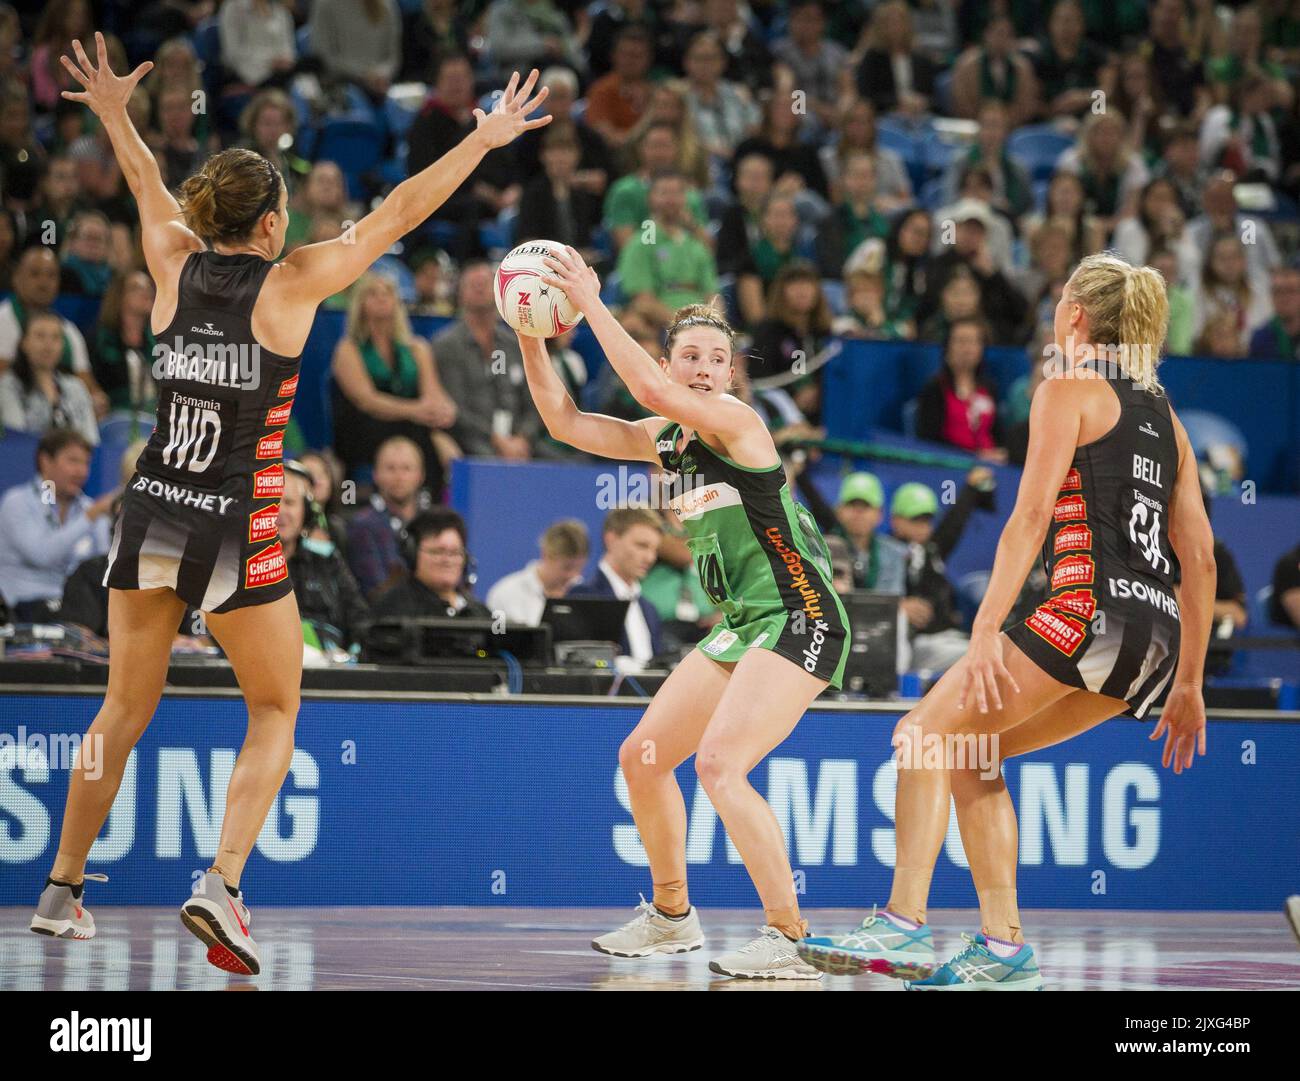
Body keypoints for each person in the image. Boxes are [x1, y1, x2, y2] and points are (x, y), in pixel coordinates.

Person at [28, 35, 549, 977]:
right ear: (270, 223)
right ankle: (222, 881)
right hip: (234, 522)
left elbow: (145, 180)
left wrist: (110, 111)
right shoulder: (292, 283)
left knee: (120, 708)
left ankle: (61, 890)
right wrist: (482, 141)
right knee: (273, 706)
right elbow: (398, 211)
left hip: (150, 509)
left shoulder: (168, 257)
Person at [801, 252, 1216, 989]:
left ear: (1077, 316)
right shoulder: (1170, 419)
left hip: (1086, 609)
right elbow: (1204, 559)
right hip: (1154, 641)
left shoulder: (1069, 386)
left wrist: (987, 627)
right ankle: (1003, 945)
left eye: (1060, 298)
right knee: (970, 749)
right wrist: (1190, 682)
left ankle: (900, 923)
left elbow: (1027, 518)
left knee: (923, 735)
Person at [521, 249, 852, 978]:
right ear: (673, 365)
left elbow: (639, 383)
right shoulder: (665, 440)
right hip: (742, 622)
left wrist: (588, 298)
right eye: (690, 357)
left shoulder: (735, 420)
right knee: (642, 758)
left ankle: (790, 935)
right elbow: (563, 419)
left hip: (800, 613)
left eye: (716, 358)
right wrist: (528, 328)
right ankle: (673, 916)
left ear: (731, 374)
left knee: (720, 765)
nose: (703, 367)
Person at [329, 272, 457, 490]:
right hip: (365, 428)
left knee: (443, 442)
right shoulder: (348, 349)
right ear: (360, 303)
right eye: (373, 293)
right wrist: (415, 410)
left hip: (413, 428)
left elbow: (432, 395)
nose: (381, 298)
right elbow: (367, 401)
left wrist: (444, 409)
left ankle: (434, 501)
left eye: (387, 292)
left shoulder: (417, 347)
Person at [0, 428, 114, 621]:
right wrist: (90, 517)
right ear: (45, 461)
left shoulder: (88, 508)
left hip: (77, 610)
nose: (82, 471)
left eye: (86, 463)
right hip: (24, 609)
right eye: (73, 461)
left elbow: (102, 566)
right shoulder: (17, 503)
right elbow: (43, 554)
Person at [279, 463, 369, 653]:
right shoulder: (238, 563)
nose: (280, 512)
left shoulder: (327, 560)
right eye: (272, 503)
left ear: (306, 511)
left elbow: (359, 620)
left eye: (289, 503)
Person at [567, 506, 665, 667]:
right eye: (642, 546)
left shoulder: (649, 609)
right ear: (611, 540)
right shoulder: (583, 597)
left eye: (655, 550)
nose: (650, 558)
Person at [346, 435, 437, 599]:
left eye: (406, 468)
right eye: (390, 468)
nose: (399, 476)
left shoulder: (434, 524)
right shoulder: (362, 525)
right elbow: (374, 589)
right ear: (375, 474)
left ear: (421, 475)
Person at [370, 507, 491, 619]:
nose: (447, 560)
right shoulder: (392, 609)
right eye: (438, 552)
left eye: (455, 552)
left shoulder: (479, 613)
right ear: (412, 553)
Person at [0, 308, 99, 445]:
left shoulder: (76, 387)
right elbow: (17, 438)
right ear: (24, 343)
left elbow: (91, 440)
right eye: (40, 336)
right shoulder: (9, 386)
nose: (48, 345)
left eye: (56, 338)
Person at [485, 518, 589, 626]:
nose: (573, 575)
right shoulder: (505, 594)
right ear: (546, 555)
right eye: (567, 568)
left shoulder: (585, 596)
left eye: (580, 568)